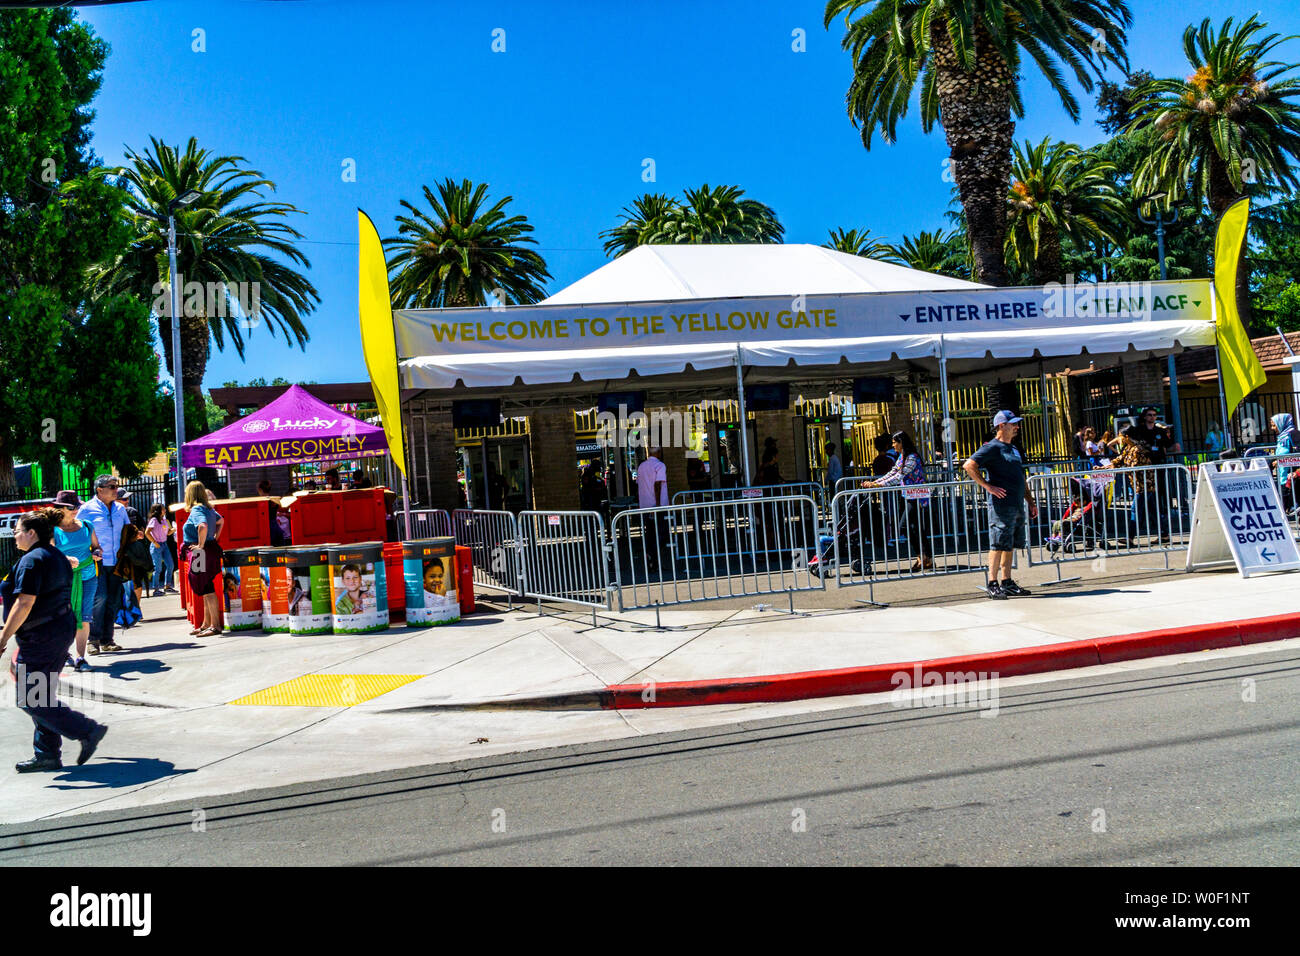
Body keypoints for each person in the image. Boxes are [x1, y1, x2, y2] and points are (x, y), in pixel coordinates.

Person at [0, 509, 108, 772]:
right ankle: (46, 754)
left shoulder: (32, 560)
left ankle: (87, 730)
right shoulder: (57, 557)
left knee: (32, 699)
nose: (15, 537)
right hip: (55, 631)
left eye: (17, 532)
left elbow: (25, 603)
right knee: (41, 695)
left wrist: (3, 638)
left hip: (42, 635)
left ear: (31, 533)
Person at [963, 410, 1037, 599]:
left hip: (1016, 502)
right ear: (1001, 425)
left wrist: (1030, 501)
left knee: (1009, 542)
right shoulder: (992, 447)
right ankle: (992, 582)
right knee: (997, 542)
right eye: (1013, 424)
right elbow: (969, 465)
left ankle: (1007, 581)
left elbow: (1021, 476)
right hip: (1001, 504)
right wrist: (988, 486)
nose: (1017, 427)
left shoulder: (1013, 448)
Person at [861, 431, 932, 572]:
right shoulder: (902, 457)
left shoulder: (912, 457)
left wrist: (877, 485)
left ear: (902, 442)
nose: (893, 445)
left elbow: (900, 476)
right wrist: (875, 482)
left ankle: (924, 556)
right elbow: (892, 472)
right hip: (908, 496)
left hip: (917, 496)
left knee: (906, 526)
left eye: (895, 442)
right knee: (915, 527)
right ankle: (924, 557)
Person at [76, 474, 130, 654]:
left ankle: (108, 640)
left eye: (116, 486)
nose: (116, 490)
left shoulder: (120, 510)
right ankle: (93, 639)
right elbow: (78, 534)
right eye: (112, 487)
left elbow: (128, 531)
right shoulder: (86, 509)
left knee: (113, 601)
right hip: (96, 563)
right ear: (100, 490)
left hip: (116, 562)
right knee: (99, 599)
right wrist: (89, 552)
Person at [51, 492, 99, 672]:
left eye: (78, 506)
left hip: (88, 576)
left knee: (84, 616)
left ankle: (80, 658)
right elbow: (49, 553)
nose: (77, 510)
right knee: (64, 617)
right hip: (62, 580)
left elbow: (96, 546)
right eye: (72, 508)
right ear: (61, 508)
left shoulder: (87, 525)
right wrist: (65, 559)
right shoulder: (52, 530)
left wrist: (97, 553)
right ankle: (64, 653)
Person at [182, 480, 225, 637]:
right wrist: (214, 538)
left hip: (201, 553)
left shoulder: (196, 510)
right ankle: (206, 623)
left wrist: (200, 545)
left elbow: (202, 526)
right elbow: (221, 521)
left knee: (206, 588)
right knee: (205, 586)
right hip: (210, 549)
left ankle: (215, 625)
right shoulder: (209, 508)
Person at [635, 446, 669, 572]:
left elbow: (639, 486)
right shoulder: (660, 466)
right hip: (656, 506)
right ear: (659, 452)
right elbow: (658, 484)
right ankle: (653, 558)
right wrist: (659, 504)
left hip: (645, 506)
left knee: (649, 534)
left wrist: (640, 503)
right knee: (661, 534)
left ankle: (652, 561)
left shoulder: (641, 466)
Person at [116, 524, 153, 626]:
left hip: (125, 573)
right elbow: (144, 560)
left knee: (128, 593)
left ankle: (134, 611)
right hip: (137, 572)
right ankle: (136, 611)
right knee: (137, 591)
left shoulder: (121, 546)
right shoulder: (137, 545)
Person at [145, 504, 175, 596]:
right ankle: (156, 589)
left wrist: (174, 529)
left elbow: (169, 533)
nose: (165, 510)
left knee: (170, 565)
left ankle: (167, 586)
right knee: (158, 568)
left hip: (164, 544)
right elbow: (147, 532)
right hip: (156, 545)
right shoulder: (153, 520)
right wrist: (154, 542)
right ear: (158, 510)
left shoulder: (165, 520)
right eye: (163, 509)